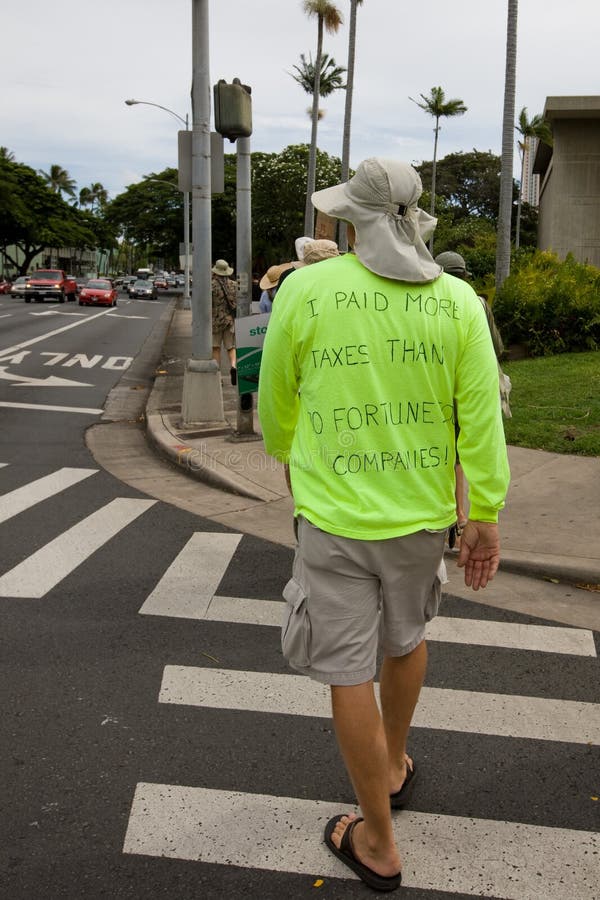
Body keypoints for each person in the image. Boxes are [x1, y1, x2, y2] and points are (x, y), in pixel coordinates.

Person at [258, 158, 510, 891]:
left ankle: (376, 839)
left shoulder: (307, 288)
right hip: (422, 520)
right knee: (406, 640)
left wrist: (285, 455)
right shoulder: (458, 301)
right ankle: (393, 764)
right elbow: (481, 422)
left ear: (356, 217)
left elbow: (277, 396)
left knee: (346, 670)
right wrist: (483, 513)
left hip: (334, 516)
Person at [435, 251, 511, 534]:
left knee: (449, 447)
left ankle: (456, 511)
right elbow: (497, 346)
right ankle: (464, 511)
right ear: (465, 274)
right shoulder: (478, 302)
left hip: (444, 385)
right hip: (477, 384)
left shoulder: (430, 301)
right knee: (476, 439)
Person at [211, 259, 237, 379]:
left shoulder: (211, 286)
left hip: (215, 321)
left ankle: (218, 375)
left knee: (216, 347)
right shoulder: (234, 285)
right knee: (230, 347)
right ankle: (233, 366)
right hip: (229, 320)